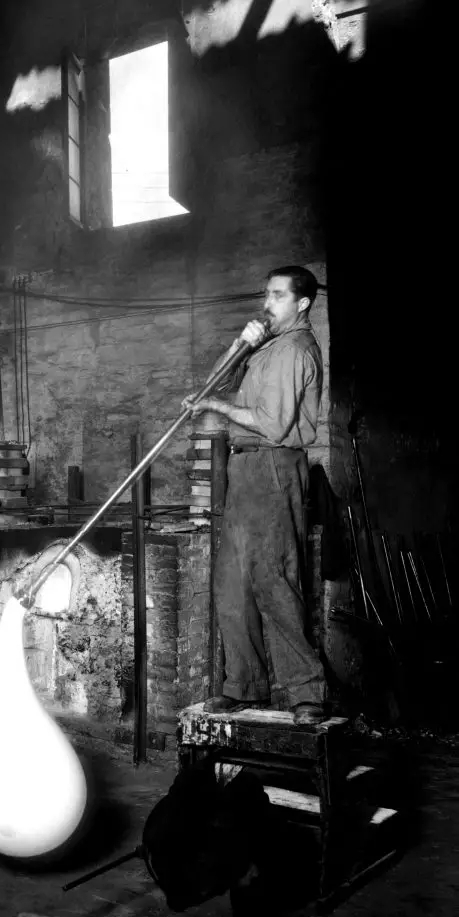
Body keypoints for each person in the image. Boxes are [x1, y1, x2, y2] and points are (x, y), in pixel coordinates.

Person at [183, 266, 326, 726]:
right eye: (267, 294)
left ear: (302, 303)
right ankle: (244, 685)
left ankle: (306, 692)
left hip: (272, 464)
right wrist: (235, 346)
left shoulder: (295, 349)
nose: (268, 303)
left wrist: (215, 408)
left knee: (275, 580)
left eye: (278, 295)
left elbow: (272, 424)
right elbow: (213, 385)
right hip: (244, 465)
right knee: (233, 583)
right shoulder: (266, 346)